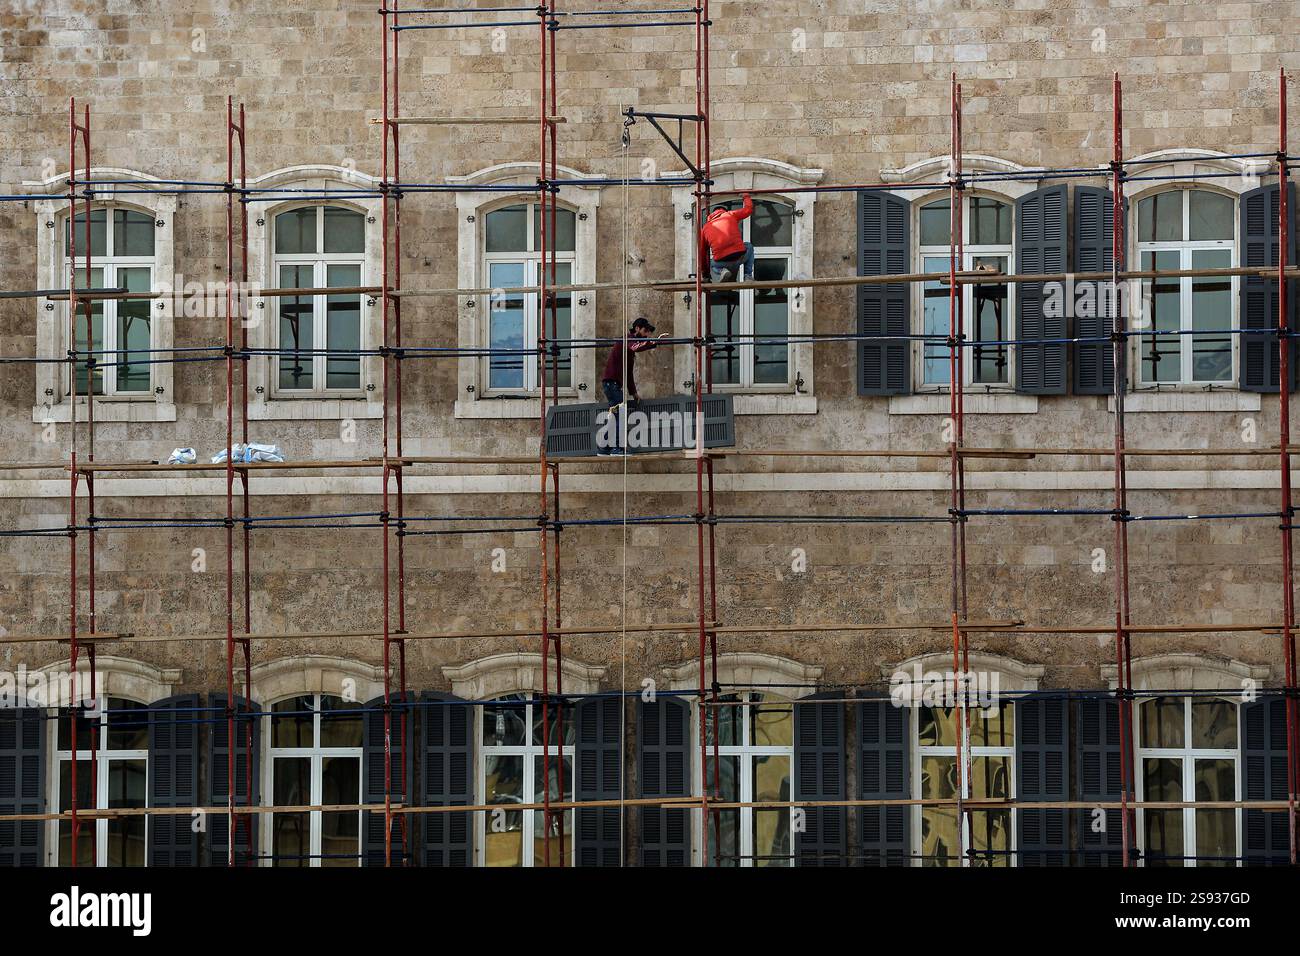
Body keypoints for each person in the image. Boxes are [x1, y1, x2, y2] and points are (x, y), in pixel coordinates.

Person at [600, 317, 658, 455]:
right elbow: (636, 346)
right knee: (620, 415)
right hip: (611, 384)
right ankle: (616, 448)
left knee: (616, 416)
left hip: (613, 385)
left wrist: (634, 393)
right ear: (637, 328)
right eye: (645, 331)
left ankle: (604, 447)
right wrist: (654, 342)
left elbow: (628, 374)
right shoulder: (628, 339)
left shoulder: (629, 351)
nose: (647, 335)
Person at [701, 192, 754, 282]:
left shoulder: (705, 228)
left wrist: (705, 274)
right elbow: (748, 210)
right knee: (749, 246)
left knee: (711, 264)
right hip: (739, 256)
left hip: (721, 262)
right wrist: (746, 196)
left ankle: (722, 271)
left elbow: (703, 253)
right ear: (724, 211)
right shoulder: (730, 215)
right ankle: (747, 275)